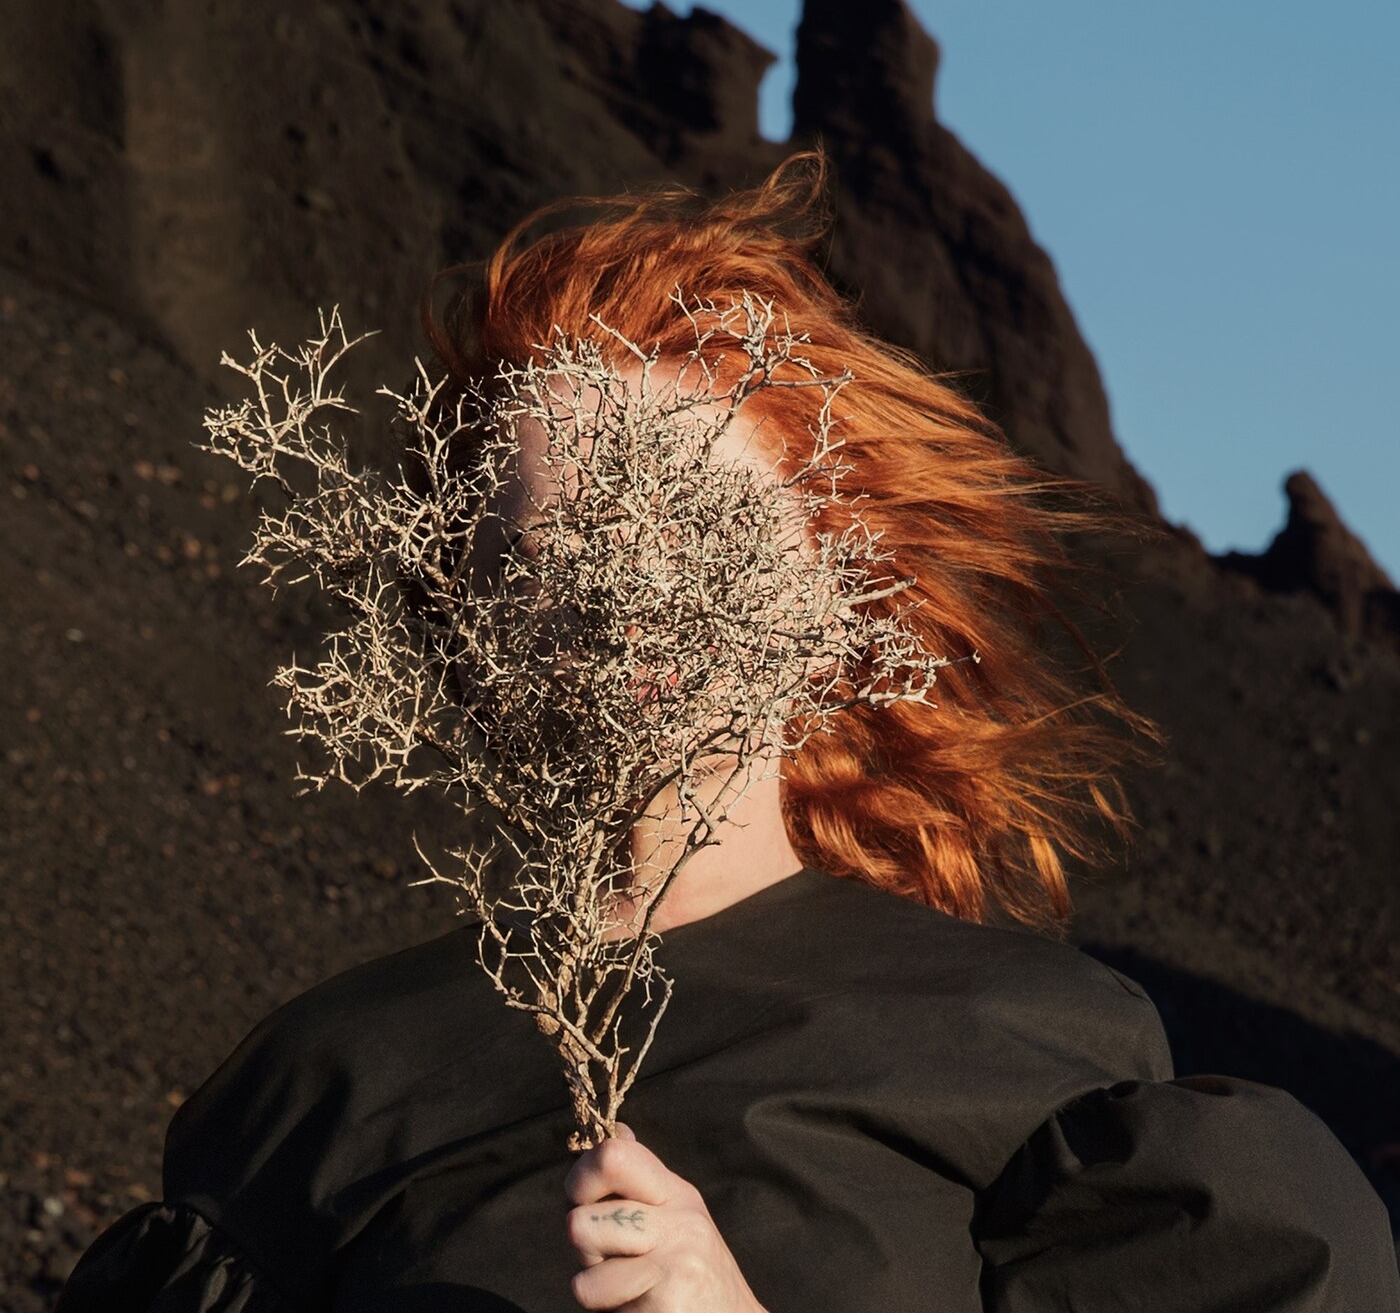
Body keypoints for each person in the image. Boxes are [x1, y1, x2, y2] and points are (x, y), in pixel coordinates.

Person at [57, 154, 1400, 1311]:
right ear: (460, 614)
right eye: (559, 545)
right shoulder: (319, 1090)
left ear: (838, 596)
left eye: (698, 530)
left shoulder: (1039, 1062)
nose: (631, 590)